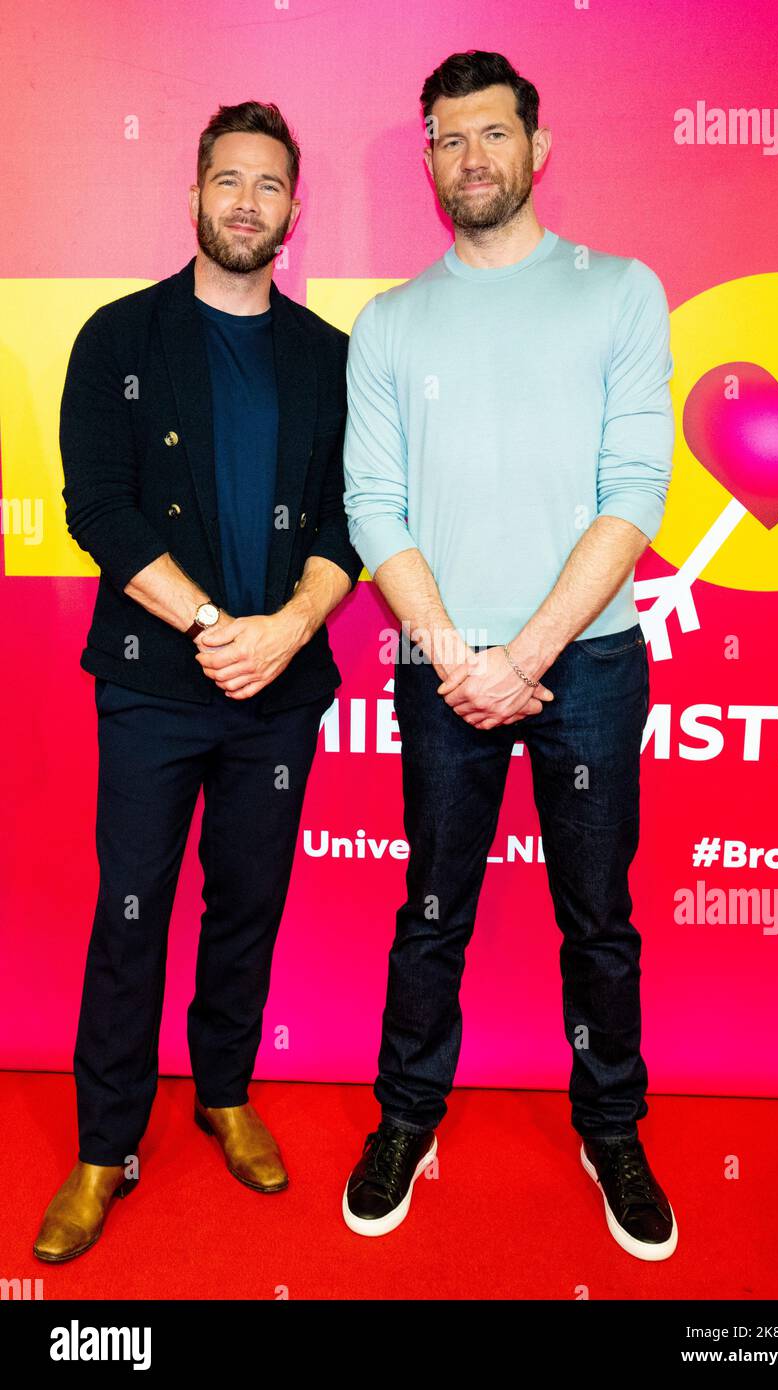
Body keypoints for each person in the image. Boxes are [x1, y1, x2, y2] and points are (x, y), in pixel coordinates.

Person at [341, 50, 677, 1259]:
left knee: (597, 917)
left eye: (491, 132)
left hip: (584, 662)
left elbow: (633, 490)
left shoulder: (620, 291)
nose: (468, 156)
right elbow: (373, 505)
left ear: (539, 147)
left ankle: (612, 1125)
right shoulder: (386, 324)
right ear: (427, 158)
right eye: (446, 138)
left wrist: (523, 651)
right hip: (440, 666)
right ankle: (405, 1117)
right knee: (431, 911)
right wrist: (451, 655)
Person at [34, 100, 361, 1263]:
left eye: (268, 184)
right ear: (192, 196)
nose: (244, 201)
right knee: (131, 916)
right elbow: (99, 508)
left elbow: (347, 515)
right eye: (227, 179)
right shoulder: (118, 340)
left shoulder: (330, 358)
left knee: (248, 903)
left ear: (291, 209)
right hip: (152, 684)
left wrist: (287, 629)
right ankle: (101, 1145)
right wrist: (220, 625)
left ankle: (223, 1090)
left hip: (278, 688)